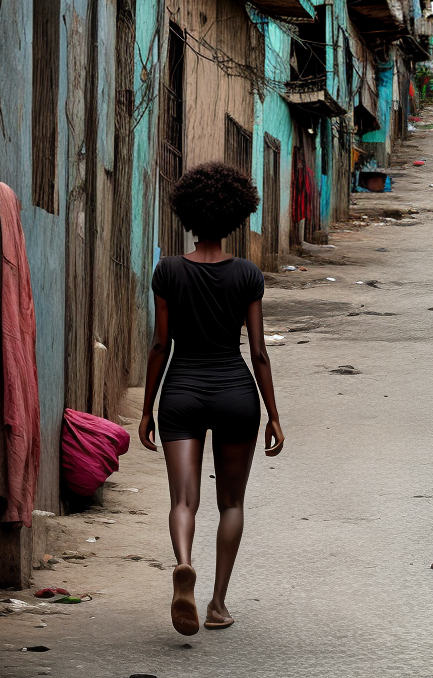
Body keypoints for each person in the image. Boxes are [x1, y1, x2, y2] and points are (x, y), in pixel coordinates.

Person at [139, 162, 284, 635]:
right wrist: (275, 417)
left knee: (184, 500)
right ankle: (218, 603)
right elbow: (259, 352)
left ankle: (184, 565)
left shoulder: (168, 271)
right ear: (235, 218)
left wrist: (145, 409)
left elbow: (160, 344)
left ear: (189, 215)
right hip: (236, 394)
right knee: (231, 504)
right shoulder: (247, 274)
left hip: (180, 392)